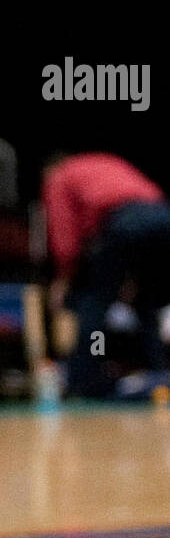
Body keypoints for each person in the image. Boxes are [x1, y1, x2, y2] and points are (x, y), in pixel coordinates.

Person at [43, 152, 170, 397]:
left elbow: (65, 236)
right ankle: (160, 374)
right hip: (163, 216)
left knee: (95, 302)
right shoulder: (102, 161)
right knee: (147, 302)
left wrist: (62, 279)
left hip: (124, 222)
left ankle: (81, 382)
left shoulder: (58, 176)